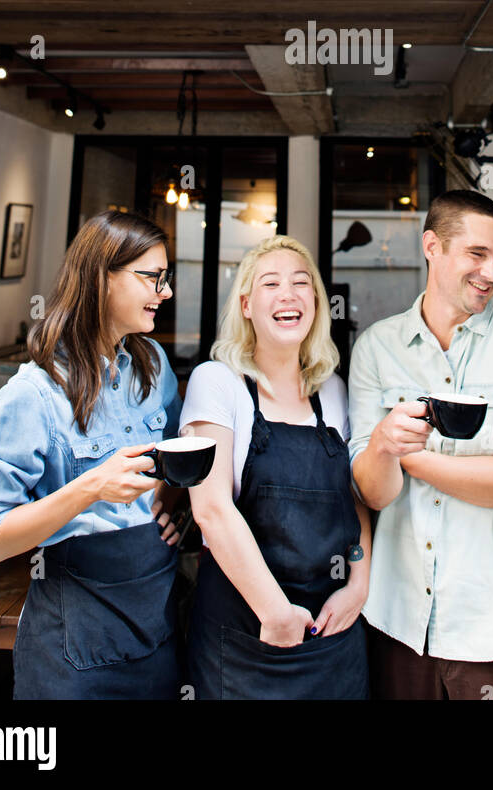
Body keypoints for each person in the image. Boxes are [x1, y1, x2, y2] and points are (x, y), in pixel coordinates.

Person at [349, 190, 493, 700]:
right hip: (401, 623)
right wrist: (381, 448)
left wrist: (411, 457)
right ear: (432, 246)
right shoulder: (376, 347)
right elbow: (374, 494)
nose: (491, 272)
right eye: (477, 254)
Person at [0, 211, 183, 699]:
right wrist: (91, 487)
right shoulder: (32, 395)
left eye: (166, 278)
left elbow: (171, 459)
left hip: (158, 625)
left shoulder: (153, 367)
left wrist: (172, 509)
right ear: (102, 278)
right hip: (74, 649)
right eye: (153, 278)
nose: (165, 292)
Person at [182, 234, 370, 700]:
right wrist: (275, 612)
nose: (288, 294)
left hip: (333, 632)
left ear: (316, 302)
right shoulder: (218, 383)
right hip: (246, 633)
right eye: (271, 284)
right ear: (246, 305)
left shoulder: (334, 392)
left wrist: (359, 587)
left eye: (301, 283)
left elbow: (355, 502)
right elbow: (211, 510)